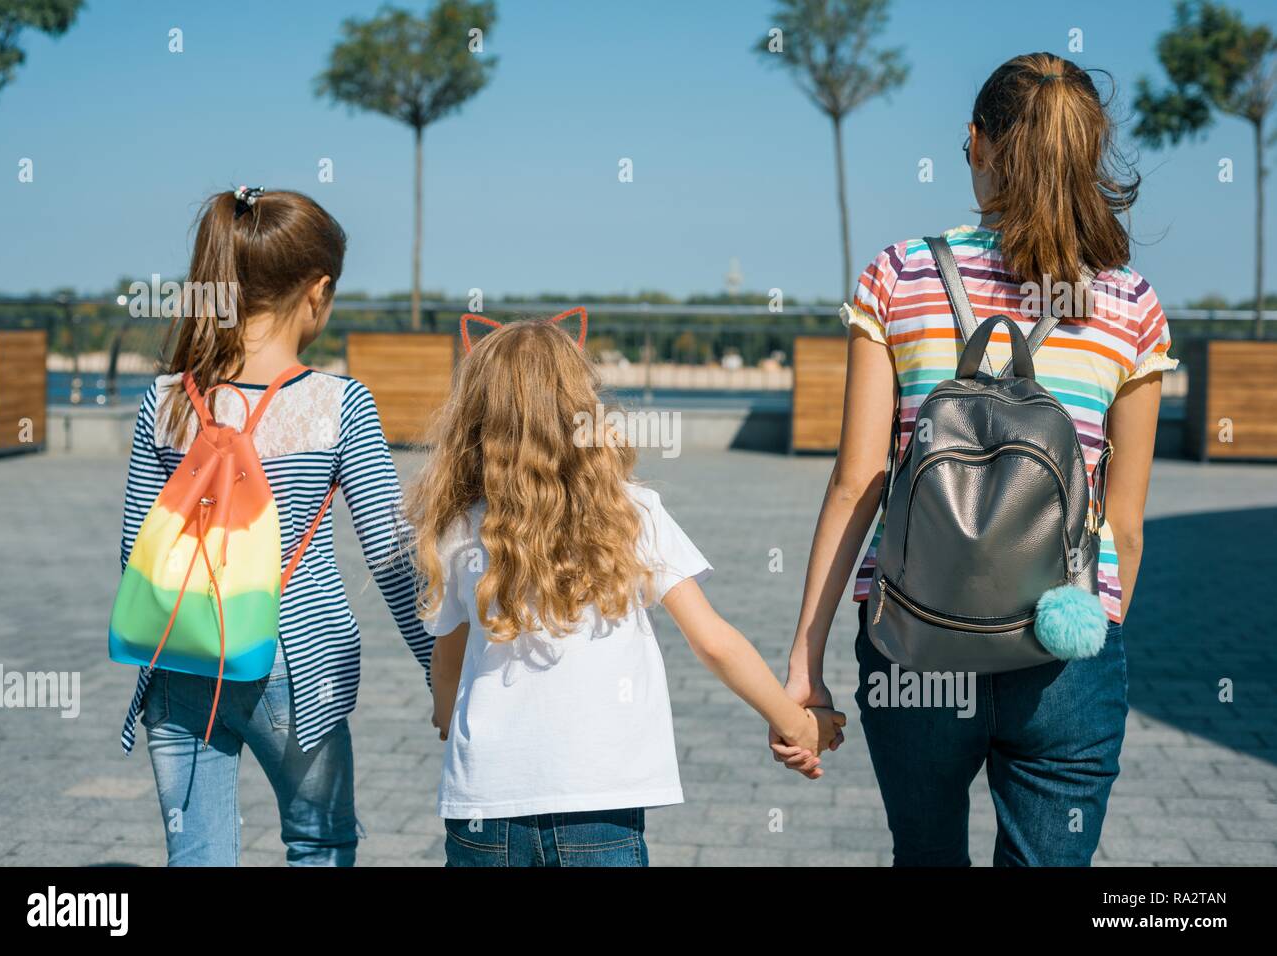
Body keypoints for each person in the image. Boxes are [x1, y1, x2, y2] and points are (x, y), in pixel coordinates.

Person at [774, 52, 1174, 866]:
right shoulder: (1127, 302)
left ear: (976, 144)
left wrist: (802, 663)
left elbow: (860, 479)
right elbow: (1123, 526)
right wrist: (1092, 630)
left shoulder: (902, 275)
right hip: (1063, 653)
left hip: (913, 643)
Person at [410, 316, 847, 867]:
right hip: (601, 803)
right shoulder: (632, 513)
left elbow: (446, 660)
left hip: (484, 807)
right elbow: (713, 641)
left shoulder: (459, 529)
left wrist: (446, 714)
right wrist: (795, 722)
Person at [117, 187, 431, 865]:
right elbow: (389, 553)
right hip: (295, 658)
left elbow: (135, 548)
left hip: (179, 654)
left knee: (197, 853)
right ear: (317, 292)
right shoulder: (337, 403)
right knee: (318, 841)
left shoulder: (168, 399)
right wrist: (441, 663)